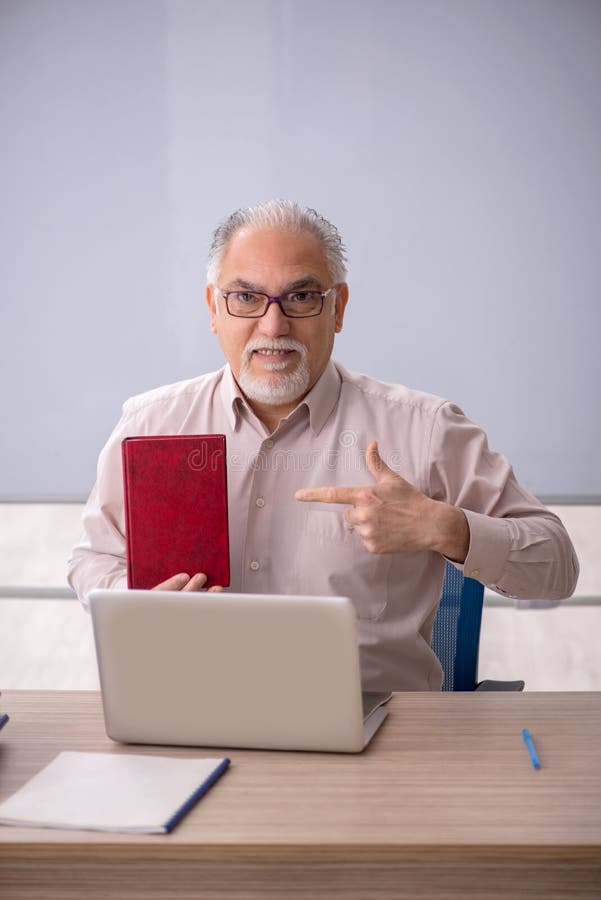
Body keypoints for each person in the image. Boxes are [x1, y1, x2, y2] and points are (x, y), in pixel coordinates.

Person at [67, 199, 579, 691]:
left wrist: (446, 527)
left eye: (301, 297)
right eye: (246, 297)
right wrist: (132, 600)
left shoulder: (425, 430)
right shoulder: (152, 424)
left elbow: (557, 567)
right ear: (213, 308)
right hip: (186, 717)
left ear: (337, 308)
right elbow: (93, 558)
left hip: (373, 738)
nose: (273, 325)